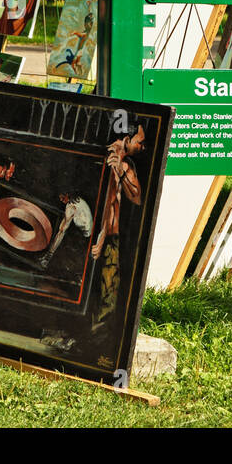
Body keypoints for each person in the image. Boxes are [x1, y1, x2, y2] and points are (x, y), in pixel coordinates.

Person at [90, 124, 146, 331]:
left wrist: (122, 172)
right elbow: (106, 201)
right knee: (103, 290)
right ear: (126, 138)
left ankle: (98, 335)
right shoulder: (108, 158)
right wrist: (103, 235)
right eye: (139, 141)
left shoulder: (124, 164)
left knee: (108, 290)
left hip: (110, 237)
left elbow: (137, 198)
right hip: (102, 236)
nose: (142, 146)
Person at [39, 192, 94, 269]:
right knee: (62, 230)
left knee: (61, 232)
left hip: (84, 233)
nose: (61, 200)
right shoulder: (77, 200)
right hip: (85, 229)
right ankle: (48, 256)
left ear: (67, 194)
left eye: (63, 197)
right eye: (60, 198)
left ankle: (48, 258)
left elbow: (62, 230)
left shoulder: (71, 207)